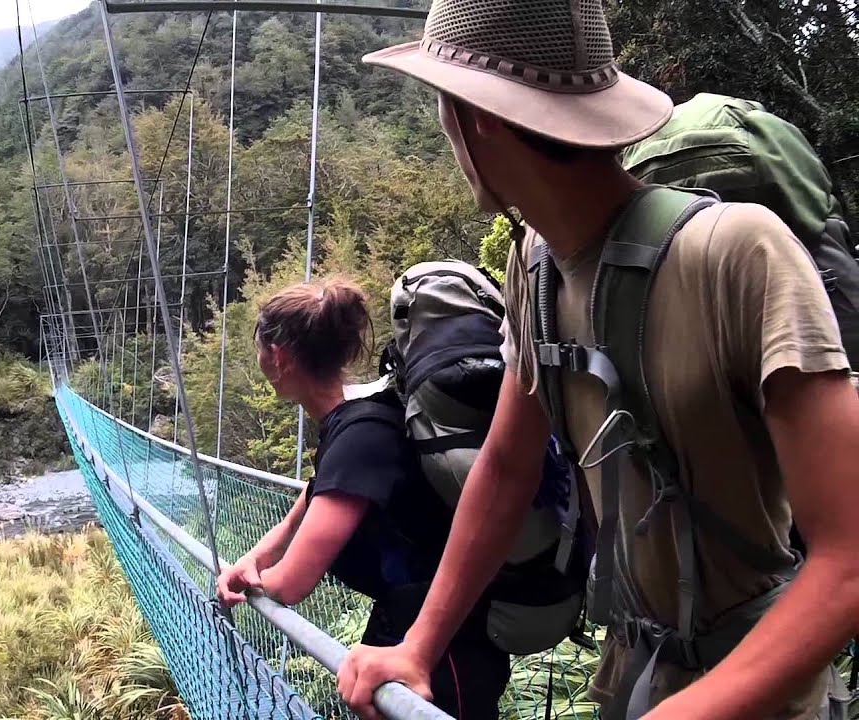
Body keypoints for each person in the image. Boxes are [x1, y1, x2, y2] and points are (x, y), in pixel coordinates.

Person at [335, 1, 859, 719]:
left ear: (477, 116)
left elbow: (849, 559)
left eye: (440, 105)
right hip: (631, 673)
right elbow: (505, 467)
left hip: (762, 696)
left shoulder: (738, 251)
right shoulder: (535, 266)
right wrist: (420, 646)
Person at [215, 277, 510, 719]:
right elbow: (314, 497)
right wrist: (256, 557)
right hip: (425, 626)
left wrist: (251, 583)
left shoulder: (360, 437)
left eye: (260, 350)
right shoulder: (353, 420)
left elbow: (293, 583)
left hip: (446, 648)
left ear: (277, 357)